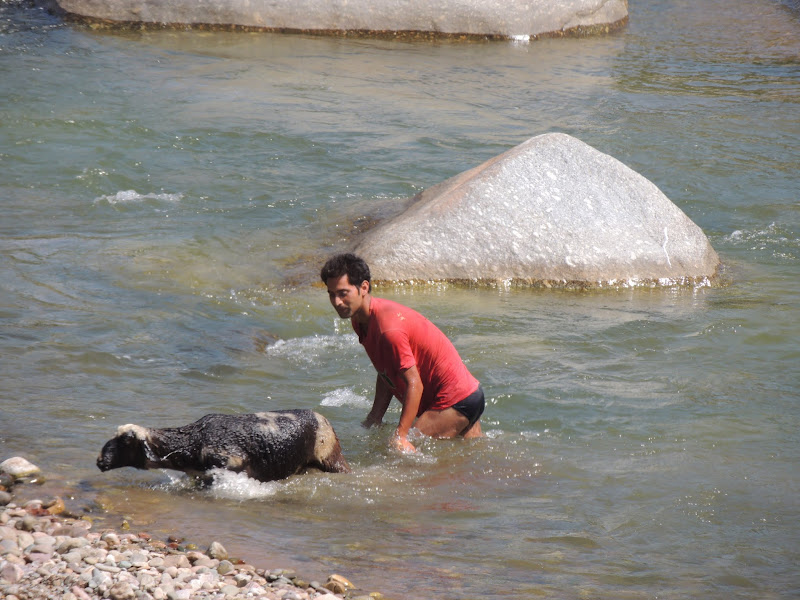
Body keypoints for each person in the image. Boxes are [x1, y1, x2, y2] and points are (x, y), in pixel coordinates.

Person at [321, 253, 484, 453]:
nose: (337, 302)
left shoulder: (387, 329)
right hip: (466, 396)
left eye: (343, 293)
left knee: (399, 458)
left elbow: (414, 384)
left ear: (363, 287)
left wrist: (401, 435)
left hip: (454, 400)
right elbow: (386, 372)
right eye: (331, 294)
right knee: (471, 464)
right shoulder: (360, 320)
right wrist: (375, 417)